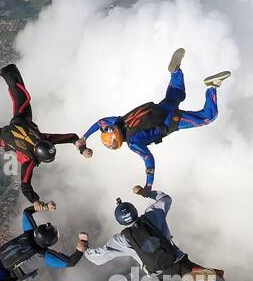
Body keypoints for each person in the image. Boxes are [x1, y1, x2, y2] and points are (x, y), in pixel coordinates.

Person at [76, 47, 230, 192]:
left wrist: (148, 185)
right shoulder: (118, 121)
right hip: (160, 108)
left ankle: (212, 87)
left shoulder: (133, 143)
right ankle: (176, 71)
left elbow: (148, 159)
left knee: (207, 117)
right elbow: (100, 122)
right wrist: (84, 138)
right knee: (176, 94)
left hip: (170, 121)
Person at [83, 186, 225, 281]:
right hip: (179, 261)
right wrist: (145, 193)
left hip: (161, 275)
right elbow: (166, 199)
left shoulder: (121, 239)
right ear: (134, 211)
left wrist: (85, 248)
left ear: (120, 221)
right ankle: (205, 279)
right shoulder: (152, 215)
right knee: (217, 280)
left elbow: (98, 258)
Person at [0, 63, 86, 207]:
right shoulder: (30, 161)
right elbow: (25, 185)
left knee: (22, 99)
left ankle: (9, 73)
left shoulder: (46, 139)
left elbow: (69, 137)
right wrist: (36, 201)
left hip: (21, 121)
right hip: (5, 137)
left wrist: (80, 146)